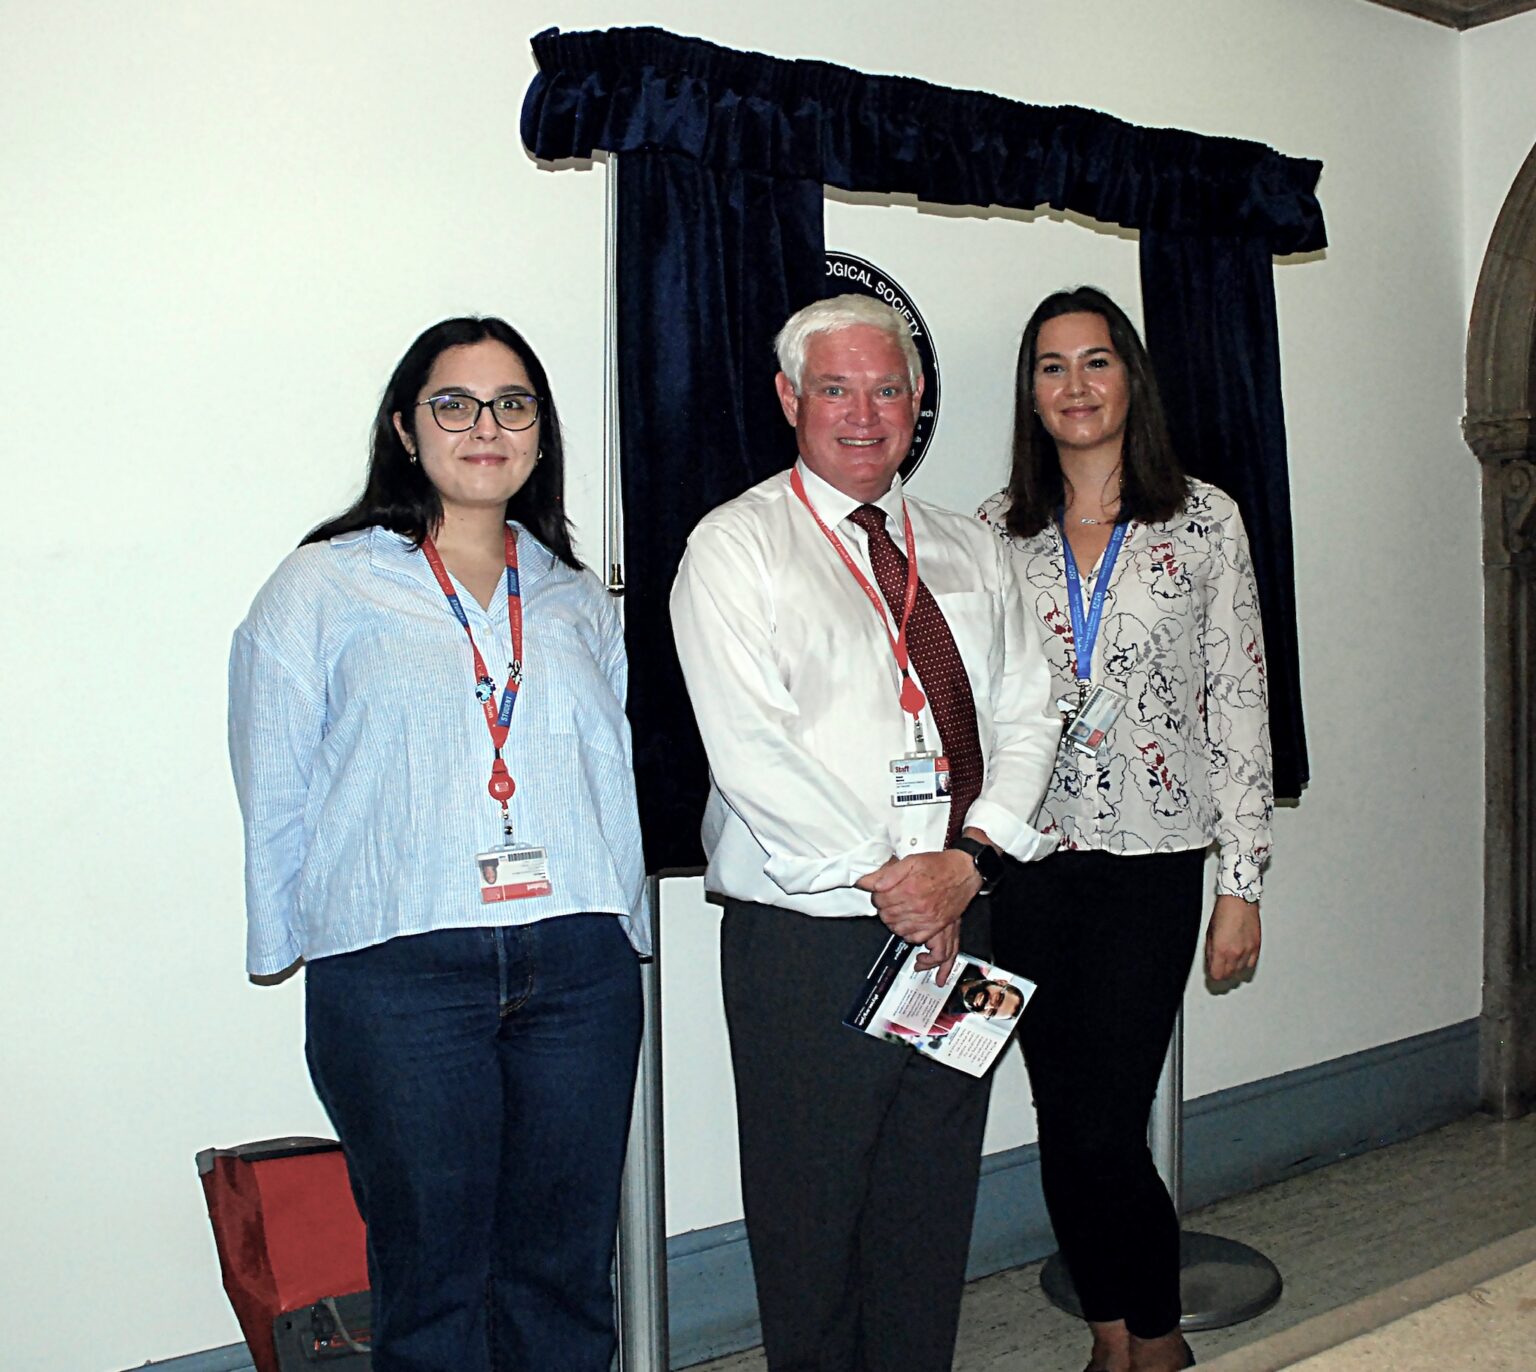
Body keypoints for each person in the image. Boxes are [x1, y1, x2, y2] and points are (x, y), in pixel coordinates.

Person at [228, 316, 650, 1372]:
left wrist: (627, 925)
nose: (485, 427)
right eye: (454, 405)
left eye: (513, 404)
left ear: (541, 435)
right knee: (432, 1282)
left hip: (577, 967)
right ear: (405, 430)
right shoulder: (323, 584)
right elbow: (272, 775)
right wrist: (287, 940)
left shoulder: (573, 596)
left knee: (565, 1272)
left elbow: (611, 775)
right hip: (399, 970)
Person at [671, 294, 1061, 1371]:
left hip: (963, 917)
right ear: (789, 398)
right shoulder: (736, 546)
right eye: (835, 389)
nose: (862, 413)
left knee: (930, 1207)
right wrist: (895, 879)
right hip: (813, 936)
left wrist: (968, 863)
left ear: (917, 400)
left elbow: (1031, 709)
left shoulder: (969, 546)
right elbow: (752, 753)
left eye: (886, 389)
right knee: (811, 1218)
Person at [978, 286, 1272, 1372]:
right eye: (1051, 366)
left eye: (1095, 361)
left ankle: (1159, 1339)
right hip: (1031, 863)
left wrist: (1242, 882)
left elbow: (1240, 701)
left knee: (1107, 1121)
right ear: (1031, 393)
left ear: (1131, 378)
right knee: (1063, 1117)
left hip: (1153, 862)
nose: (1075, 385)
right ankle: (1112, 1338)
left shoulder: (1204, 520)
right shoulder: (994, 532)